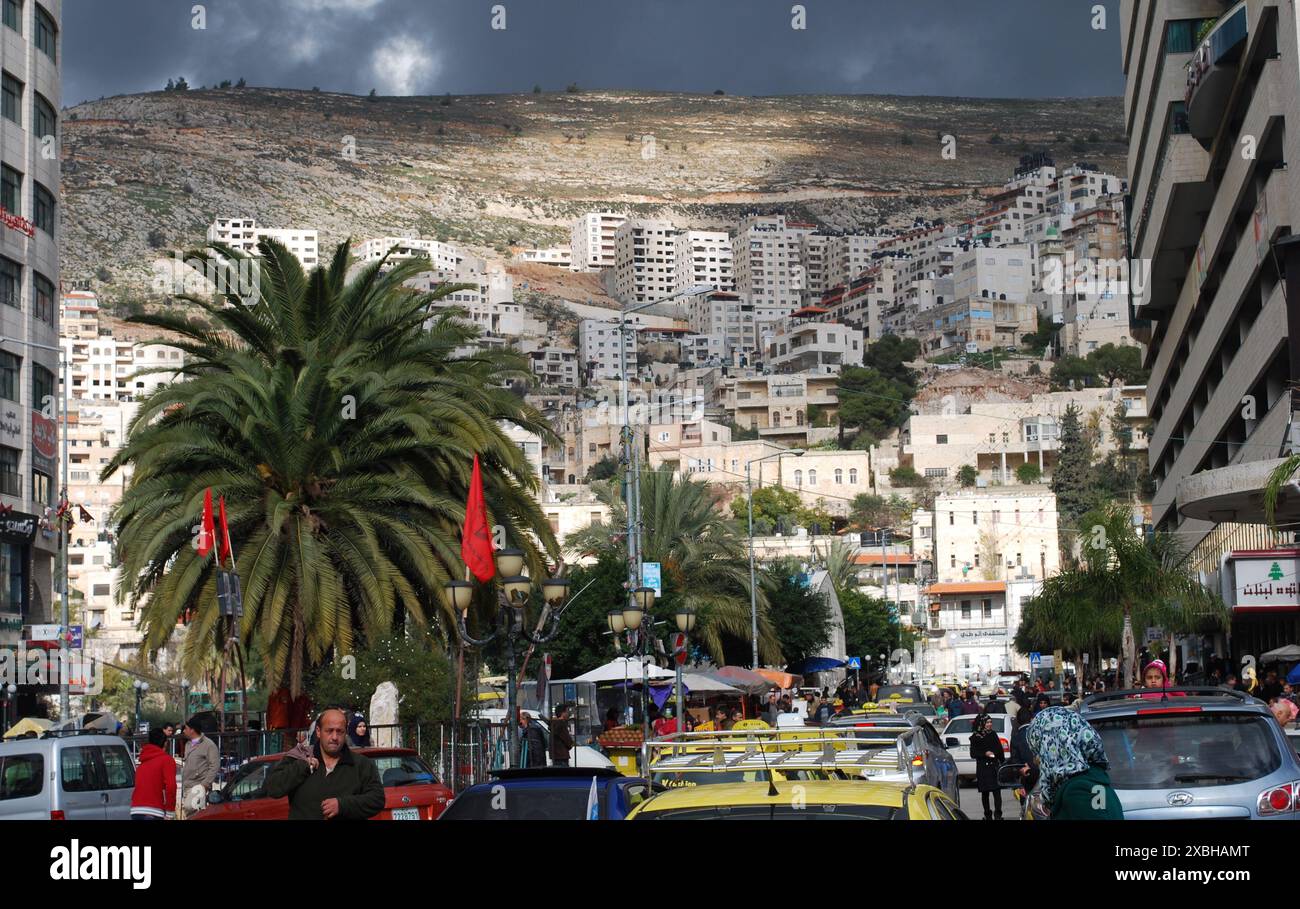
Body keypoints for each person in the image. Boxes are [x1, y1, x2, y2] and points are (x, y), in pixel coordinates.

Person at [264, 707, 385, 820]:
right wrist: (302, 767)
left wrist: (342, 805)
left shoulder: (361, 764)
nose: (334, 737)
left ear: (346, 732)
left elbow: (377, 799)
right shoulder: (298, 757)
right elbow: (273, 788)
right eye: (329, 731)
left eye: (339, 731)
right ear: (318, 731)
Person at [1025, 707, 1124, 820]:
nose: (1035, 760)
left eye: (1038, 751)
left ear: (1053, 748)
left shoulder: (1078, 790)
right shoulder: (1090, 780)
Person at [131, 728, 177, 820]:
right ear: (165, 743)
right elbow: (171, 786)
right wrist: (170, 811)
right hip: (155, 810)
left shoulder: (143, 761)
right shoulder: (166, 760)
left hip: (136, 809)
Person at [179, 716, 219, 818]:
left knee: (189, 807)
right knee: (191, 814)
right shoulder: (188, 744)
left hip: (198, 785)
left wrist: (205, 784)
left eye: (186, 728)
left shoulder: (209, 745)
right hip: (187, 784)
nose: (184, 731)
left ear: (192, 730)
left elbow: (214, 765)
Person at [969, 712, 1005, 820]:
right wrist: (985, 753)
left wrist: (1001, 762)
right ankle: (987, 814)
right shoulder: (975, 737)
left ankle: (998, 815)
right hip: (983, 768)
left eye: (990, 722)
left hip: (993, 766)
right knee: (985, 793)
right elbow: (973, 753)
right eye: (987, 722)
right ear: (981, 723)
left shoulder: (993, 734)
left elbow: (999, 750)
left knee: (996, 791)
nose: (989, 724)